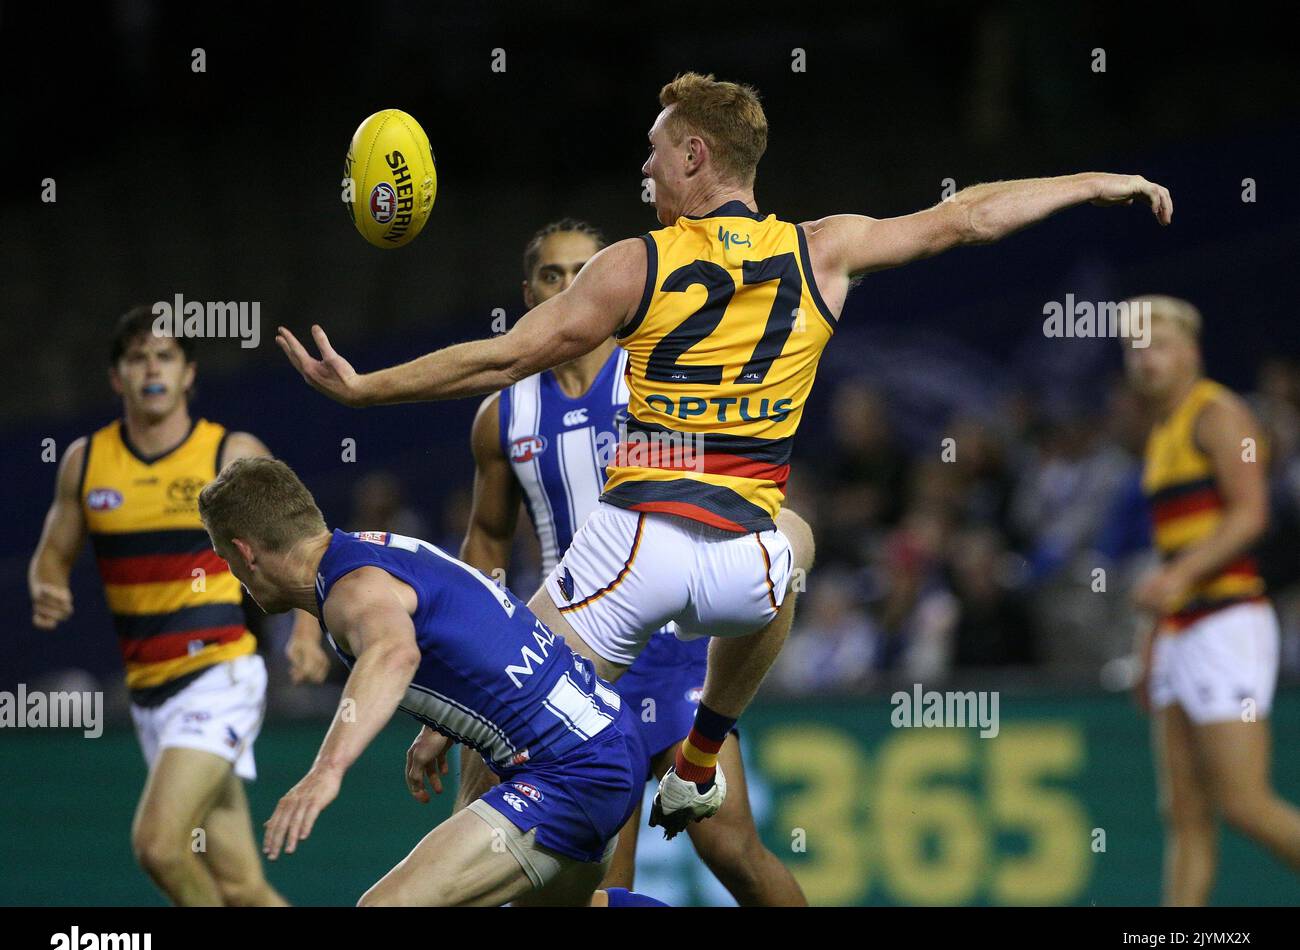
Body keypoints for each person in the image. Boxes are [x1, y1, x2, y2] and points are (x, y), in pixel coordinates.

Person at [278, 71, 1173, 835]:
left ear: (697, 157)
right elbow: (965, 218)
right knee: (798, 543)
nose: (645, 167)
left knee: (496, 743)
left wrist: (367, 388)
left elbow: (509, 354)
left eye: (657, 151)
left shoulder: (637, 263)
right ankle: (702, 754)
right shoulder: (825, 248)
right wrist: (1096, 178)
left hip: (632, 553)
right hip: (742, 569)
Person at [444, 216, 805, 903]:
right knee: (604, 875)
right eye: (553, 275)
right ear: (530, 293)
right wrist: (484, 651)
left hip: (671, 646)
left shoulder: (654, 375)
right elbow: (487, 538)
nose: (570, 285)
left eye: (585, 271)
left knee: (731, 845)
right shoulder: (502, 414)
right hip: (576, 652)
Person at [199, 455, 663, 906]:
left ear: (245, 552)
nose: (233, 575)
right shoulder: (370, 550)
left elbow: (394, 652)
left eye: (225, 559)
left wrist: (328, 769)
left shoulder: (350, 590)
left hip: (570, 770)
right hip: (603, 734)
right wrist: (443, 721)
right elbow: (466, 623)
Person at [28, 305, 289, 906]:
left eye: (165, 356)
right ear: (117, 377)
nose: (152, 368)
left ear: (189, 374)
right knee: (243, 887)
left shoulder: (229, 451)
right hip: (150, 692)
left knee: (159, 846)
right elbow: (51, 554)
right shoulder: (86, 462)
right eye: (138, 357)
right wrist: (48, 584)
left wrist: (304, 632)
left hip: (220, 673)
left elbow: (296, 548)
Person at [1125, 295, 1300, 905]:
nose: (1145, 359)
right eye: (1135, 348)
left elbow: (1253, 515)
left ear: (1191, 351)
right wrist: (1152, 644)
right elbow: (1175, 554)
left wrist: (1179, 580)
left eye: (1159, 345)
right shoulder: (1162, 429)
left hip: (1228, 623)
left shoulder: (1219, 414)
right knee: (1185, 811)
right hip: (1181, 633)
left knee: (1245, 803)